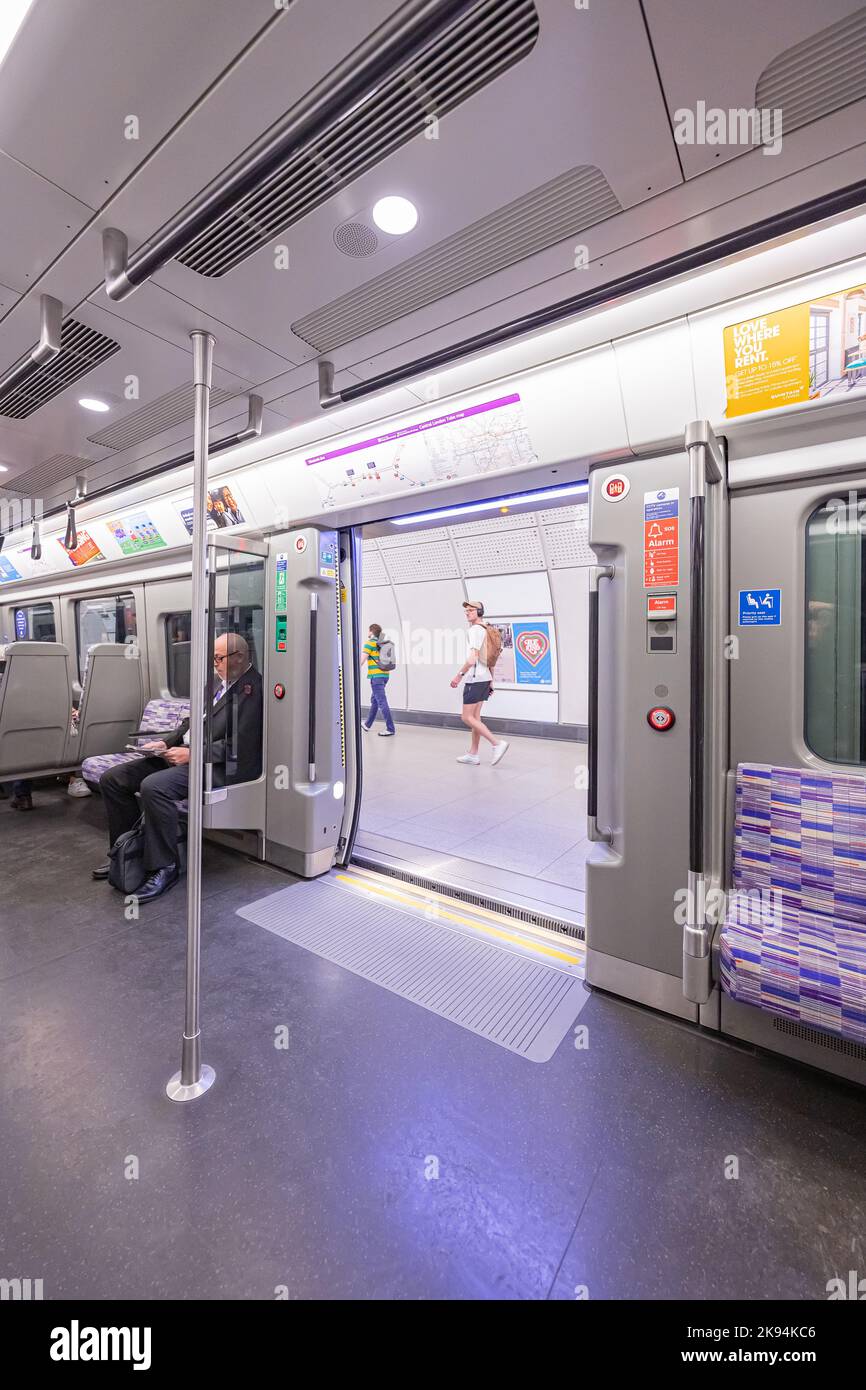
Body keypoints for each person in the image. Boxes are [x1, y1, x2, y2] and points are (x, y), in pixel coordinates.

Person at [92, 633, 263, 901]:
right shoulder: (217, 684)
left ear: (239, 657)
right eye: (213, 658)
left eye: (218, 658)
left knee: (154, 787)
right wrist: (163, 743)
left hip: (219, 766)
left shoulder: (253, 691)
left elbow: (240, 746)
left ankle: (165, 866)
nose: (214, 664)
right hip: (183, 753)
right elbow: (190, 724)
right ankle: (125, 853)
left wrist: (193, 754)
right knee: (114, 779)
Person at [450, 600, 509, 766]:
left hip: (475, 678)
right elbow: (491, 658)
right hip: (484, 678)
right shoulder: (486, 628)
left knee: (466, 717)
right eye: (466, 610)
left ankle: (497, 744)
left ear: (479, 612)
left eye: (471, 610)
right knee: (475, 717)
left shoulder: (475, 630)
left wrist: (459, 675)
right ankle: (473, 754)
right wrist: (492, 680)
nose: (467, 613)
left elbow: (473, 658)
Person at [361, 622, 395, 737]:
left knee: (381, 701)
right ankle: (367, 724)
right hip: (385, 675)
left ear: (371, 631)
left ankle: (390, 728)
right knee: (375, 699)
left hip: (376, 677)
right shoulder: (382, 643)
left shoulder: (369, 643)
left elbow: (361, 660)